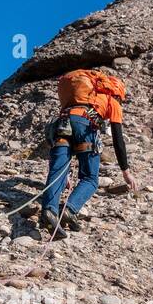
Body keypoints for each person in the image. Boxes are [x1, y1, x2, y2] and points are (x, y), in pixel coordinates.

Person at [40, 68, 138, 236]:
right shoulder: (111, 101)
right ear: (117, 93)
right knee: (90, 179)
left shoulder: (82, 98)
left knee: (58, 172)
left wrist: (67, 174)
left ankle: (49, 211)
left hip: (62, 122)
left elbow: (68, 146)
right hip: (85, 125)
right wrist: (126, 172)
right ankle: (69, 210)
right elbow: (118, 139)